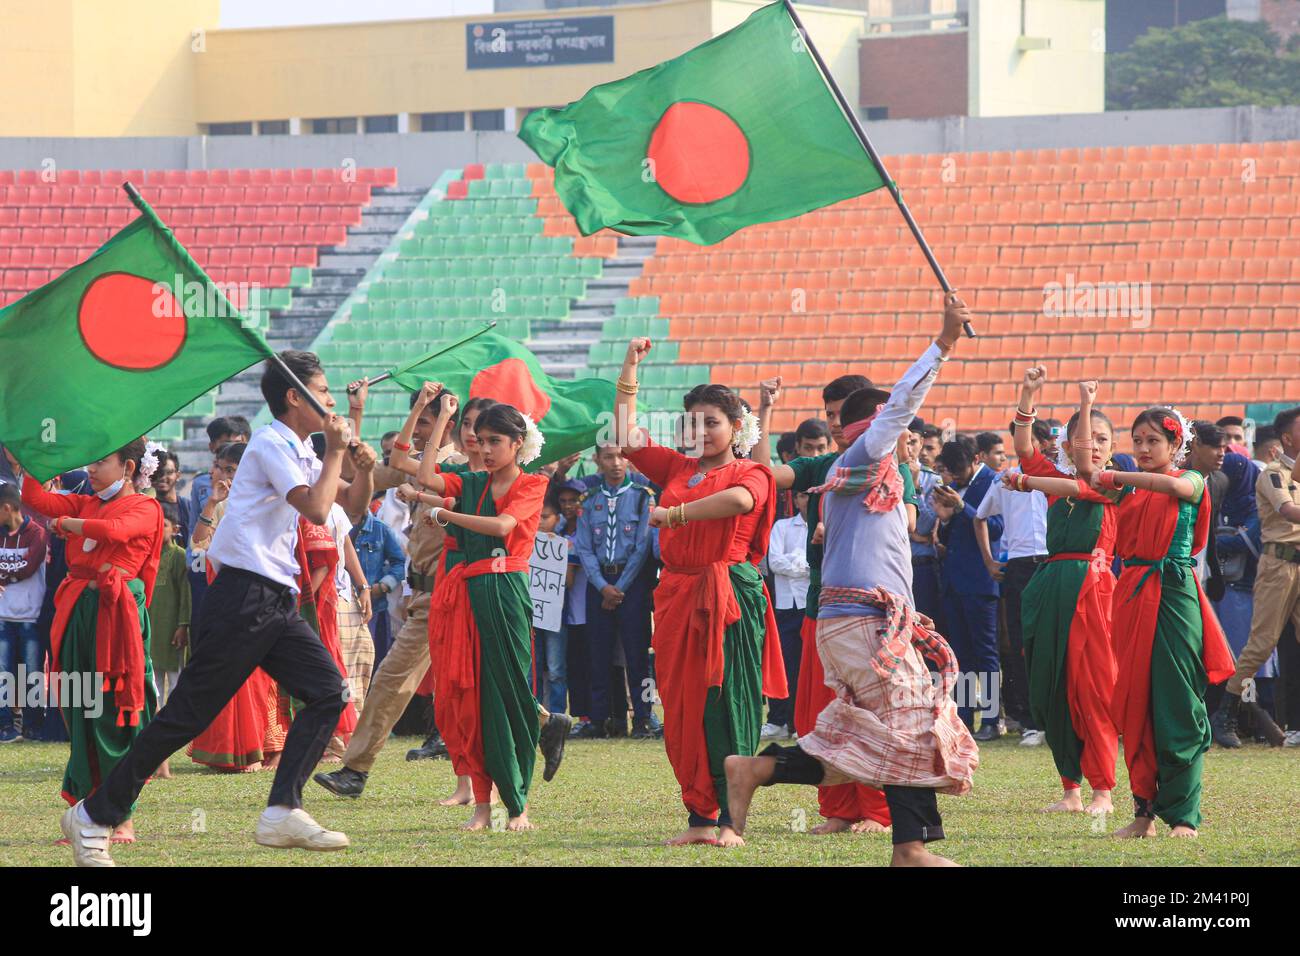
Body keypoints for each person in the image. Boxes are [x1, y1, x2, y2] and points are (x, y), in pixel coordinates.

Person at [59, 350, 378, 867]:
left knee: (327, 693)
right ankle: (94, 816)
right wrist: (340, 451)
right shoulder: (272, 444)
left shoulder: (299, 449)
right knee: (186, 716)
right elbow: (317, 507)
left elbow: (352, 505)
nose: (329, 399)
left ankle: (281, 810)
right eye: (322, 390)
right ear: (294, 397)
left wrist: (359, 467)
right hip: (243, 597)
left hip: (275, 597)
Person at [722, 293, 979, 867]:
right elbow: (903, 404)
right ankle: (910, 849)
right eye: (897, 425)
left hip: (856, 622)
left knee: (869, 739)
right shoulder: (865, 453)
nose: (908, 434)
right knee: (914, 724)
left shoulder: (862, 472)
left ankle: (756, 768)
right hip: (863, 622)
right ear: (879, 424)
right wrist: (944, 341)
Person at [613, 344, 784, 848]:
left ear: (736, 426)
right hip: (676, 594)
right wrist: (631, 368)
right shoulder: (675, 469)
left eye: (711, 422)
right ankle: (699, 818)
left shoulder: (750, 470)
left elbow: (740, 501)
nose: (700, 432)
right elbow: (624, 436)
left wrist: (676, 516)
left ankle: (732, 821)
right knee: (682, 705)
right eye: (692, 423)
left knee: (727, 703)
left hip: (727, 593)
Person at [314, 382, 469, 799]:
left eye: (425, 421)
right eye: (415, 422)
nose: (418, 430)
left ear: (446, 422)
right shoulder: (419, 463)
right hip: (421, 594)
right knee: (475, 683)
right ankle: (544, 723)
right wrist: (356, 410)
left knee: (390, 679)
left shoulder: (461, 467)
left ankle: (355, 769)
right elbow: (354, 472)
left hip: (445, 594)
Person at [752, 371, 891, 835]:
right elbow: (764, 476)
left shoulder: (891, 467)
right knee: (822, 714)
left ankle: (876, 810)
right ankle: (838, 809)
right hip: (821, 608)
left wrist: (849, 523)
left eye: (843, 414)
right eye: (830, 414)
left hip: (871, 610)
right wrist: (765, 412)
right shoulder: (822, 466)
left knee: (870, 712)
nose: (835, 423)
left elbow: (907, 518)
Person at [416, 401, 566, 831]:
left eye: (495, 441)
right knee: (473, 701)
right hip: (469, 592)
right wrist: (442, 420)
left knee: (509, 696)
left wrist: (443, 513)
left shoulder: (532, 484)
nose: (485, 449)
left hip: (505, 591)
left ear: (518, 444)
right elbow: (426, 476)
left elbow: (503, 527)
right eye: (480, 441)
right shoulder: (472, 481)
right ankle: (483, 806)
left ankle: (517, 806)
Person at [9, 438, 165, 848]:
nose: (91, 469)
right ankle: (86, 808)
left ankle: (122, 815)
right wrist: (28, 464)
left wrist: (65, 526)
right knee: (80, 706)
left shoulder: (145, 507)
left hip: (118, 613)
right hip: (80, 608)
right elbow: (37, 500)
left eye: (101, 461)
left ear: (129, 468)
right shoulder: (88, 502)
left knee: (114, 710)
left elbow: (116, 531)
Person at [1095, 406, 1235, 838]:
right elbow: (1080, 474)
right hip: (1132, 592)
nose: (1141, 449)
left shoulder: (1192, 479)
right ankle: (1143, 814)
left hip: (1173, 591)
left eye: (1152, 440)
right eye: (1136, 441)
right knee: (1135, 703)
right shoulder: (1127, 489)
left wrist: (1117, 477)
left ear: (1177, 445)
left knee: (1178, 703)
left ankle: (1184, 817)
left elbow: (1170, 484)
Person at [1011, 373, 1126, 814]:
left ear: (1112, 448)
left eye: (1100, 438)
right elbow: (1024, 449)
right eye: (1083, 436)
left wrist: (1083, 399)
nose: (1091, 444)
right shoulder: (1054, 475)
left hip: (1093, 591)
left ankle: (1103, 791)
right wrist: (1028, 395)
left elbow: (1081, 481)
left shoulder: (1115, 483)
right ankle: (1071, 790)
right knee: (1052, 686)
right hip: (1050, 586)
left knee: (1092, 688)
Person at [1212, 406, 1300, 749]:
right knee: (1261, 644)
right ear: (1288, 438)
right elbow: (1287, 511)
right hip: (1278, 566)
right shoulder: (1274, 473)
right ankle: (1226, 712)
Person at [974, 417, 1051, 746]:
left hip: (1053, 562)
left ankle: (1058, 716)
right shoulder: (1006, 479)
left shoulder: (1058, 476)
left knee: (1056, 639)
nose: (1026, 445)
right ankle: (1031, 720)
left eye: (1032, 439)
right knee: (1021, 643)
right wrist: (990, 561)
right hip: (1019, 566)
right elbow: (979, 516)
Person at [574, 444, 656, 739]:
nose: (616, 462)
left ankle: (643, 719)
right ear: (596, 459)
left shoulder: (641, 498)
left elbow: (642, 547)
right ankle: (601, 719)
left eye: (622, 456)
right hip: (599, 584)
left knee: (637, 654)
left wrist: (618, 588)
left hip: (630, 585)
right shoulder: (589, 500)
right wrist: (603, 586)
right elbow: (583, 547)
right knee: (598, 653)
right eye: (608, 456)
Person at [933, 439, 1003, 737]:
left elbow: (998, 526)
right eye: (950, 470)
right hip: (954, 582)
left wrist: (962, 508)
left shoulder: (992, 481)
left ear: (976, 458)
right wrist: (946, 521)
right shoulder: (952, 488)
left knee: (985, 652)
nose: (956, 475)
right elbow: (953, 536)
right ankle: (963, 717)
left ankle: (990, 720)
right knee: (959, 654)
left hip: (980, 582)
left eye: (959, 469)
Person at [0, 480, 48, 743]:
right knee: (3, 674)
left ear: (7, 508)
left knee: (32, 674)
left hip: (30, 616)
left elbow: (28, 568)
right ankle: (5, 724)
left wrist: (5, 575)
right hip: (2, 616)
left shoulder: (37, 533)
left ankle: (33, 724)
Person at [147, 502, 190, 778]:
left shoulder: (179, 556)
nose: (157, 529)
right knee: (154, 686)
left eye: (162, 525)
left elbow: (186, 593)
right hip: (151, 628)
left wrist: (183, 625)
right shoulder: (147, 555)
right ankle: (156, 733)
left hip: (172, 628)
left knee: (175, 684)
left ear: (174, 530)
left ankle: (175, 734)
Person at [762, 490, 810, 738]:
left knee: (809, 667)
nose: (807, 501)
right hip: (786, 604)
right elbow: (774, 563)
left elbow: (821, 564)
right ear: (795, 499)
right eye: (802, 496)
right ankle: (779, 720)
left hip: (812, 604)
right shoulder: (782, 526)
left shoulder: (827, 525)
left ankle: (801, 724)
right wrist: (803, 563)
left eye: (811, 496)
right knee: (784, 663)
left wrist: (795, 563)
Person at [349, 503, 405, 667]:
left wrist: (383, 586)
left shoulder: (381, 529)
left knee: (372, 664)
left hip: (374, 610)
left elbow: (400, 562)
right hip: (343, 607)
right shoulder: (335, 523)